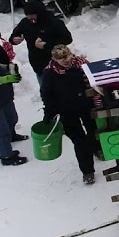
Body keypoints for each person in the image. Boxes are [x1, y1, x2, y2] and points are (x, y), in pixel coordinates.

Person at [39, 45, 98, 184]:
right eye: (60, 58)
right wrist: (49, 111)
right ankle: (88, 171)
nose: (65, 60)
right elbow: (46, 94)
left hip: (85, 104)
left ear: (71, 54)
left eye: (66, 56)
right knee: (79, 141)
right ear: (54, 59)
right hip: (66, 110)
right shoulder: (49, 73)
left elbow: (95, 79)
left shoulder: (81, 64)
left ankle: (96, 149)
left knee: (93, 129)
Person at [9, 0, 72, 89]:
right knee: (46, 91)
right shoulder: (25, 23)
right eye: (27, 15)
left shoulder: (54, 23)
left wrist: (46, 45)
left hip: (57, 64)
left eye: (32, 15)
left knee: (61, 91)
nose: (30, 18)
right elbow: (14, 35)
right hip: (38, 65)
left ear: (39, 13)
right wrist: (14, 39)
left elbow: (68, 39)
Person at [0, 37, 28, 166]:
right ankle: (6, 155)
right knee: (2, 130)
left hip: (4, 94)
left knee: (12, 118)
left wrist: (9, 68)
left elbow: (2, 62)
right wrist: (4, 79)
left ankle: (11, 136)